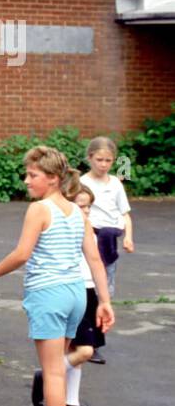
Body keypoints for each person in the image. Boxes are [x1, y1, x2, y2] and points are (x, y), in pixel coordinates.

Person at [0, 147, 114, 406]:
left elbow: (22, 253)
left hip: (49, 294)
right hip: (75, 294)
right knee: (58, 366)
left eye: (33, 175)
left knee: (53, 372)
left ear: (53, 179)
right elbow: (95, 259)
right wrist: (104, 301)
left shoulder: (39, 209)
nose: (26, 180)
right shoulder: (76, 211)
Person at [30, 174, 106, 406]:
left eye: (89, 206)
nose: (86, 211)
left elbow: (96, 262)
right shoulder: (62, 222)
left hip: (87, 293)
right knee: (84, 351)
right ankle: (48, 378)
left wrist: (104, 299)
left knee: (78, 351)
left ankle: (70, 403)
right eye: (82, 205)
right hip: (70, 291)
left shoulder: (87, 227)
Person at [79, 136, 133, 364]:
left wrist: (128, 237)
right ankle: (87, 341)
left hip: (109, 238)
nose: (103, 164)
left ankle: (95, 339)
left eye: (108, 161)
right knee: (87, 289)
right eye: (99, 160)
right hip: (89, 236)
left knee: (104, 292)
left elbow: (125, 214)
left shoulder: (116, 184)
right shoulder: (81, 183)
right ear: (90, 158)